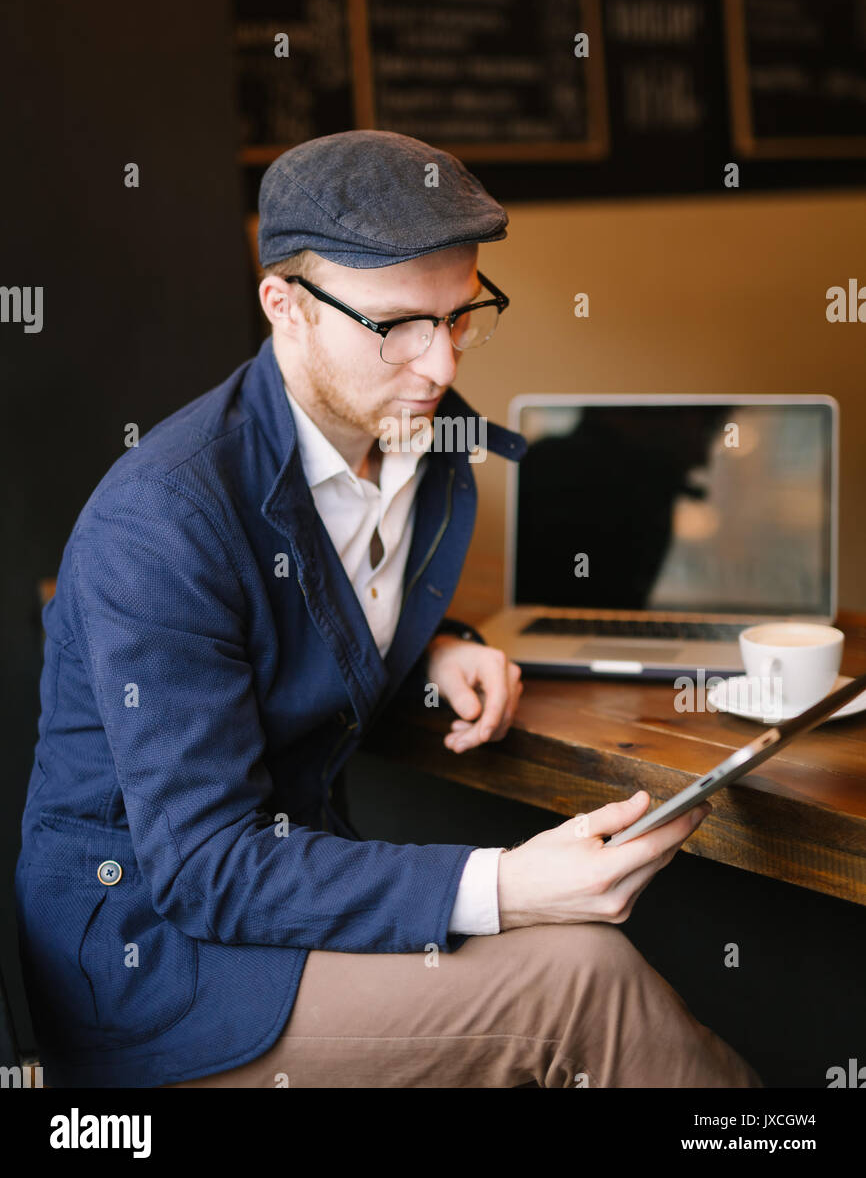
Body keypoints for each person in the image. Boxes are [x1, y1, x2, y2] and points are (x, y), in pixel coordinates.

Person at [15, 129, 762, 1089]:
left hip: (294, 906)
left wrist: (434, 641)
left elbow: (317, 616)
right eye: (398, 325)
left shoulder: (427, 435)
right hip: (158, 961)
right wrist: (507, 886)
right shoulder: (161, 519)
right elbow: (204, 868)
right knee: (583, 979)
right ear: (284, 307)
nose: (441, 366)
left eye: (461, 316)